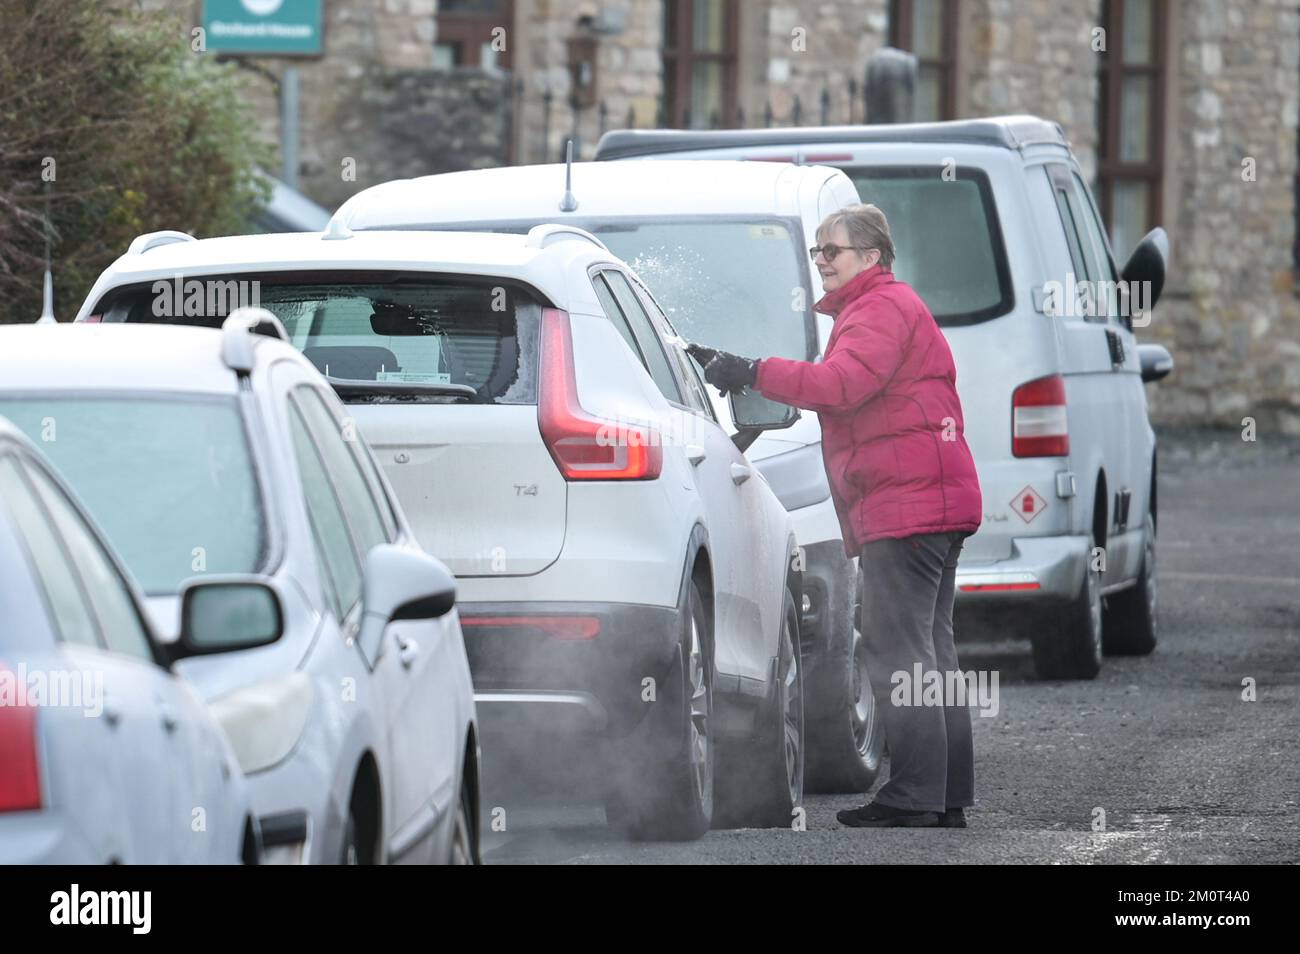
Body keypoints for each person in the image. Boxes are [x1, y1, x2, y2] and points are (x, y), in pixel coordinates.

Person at [686, 203, 983, 828]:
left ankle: (915, 796)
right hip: (932, 500)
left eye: (832, 251)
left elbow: (840, 385)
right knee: (931, 649)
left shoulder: (878, 309)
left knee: (898, 648)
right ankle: (944, 794)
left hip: (910, 505)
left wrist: (753, 371)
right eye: (819, 251)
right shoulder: (885, 307)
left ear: (871, 257)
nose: (821, 260)